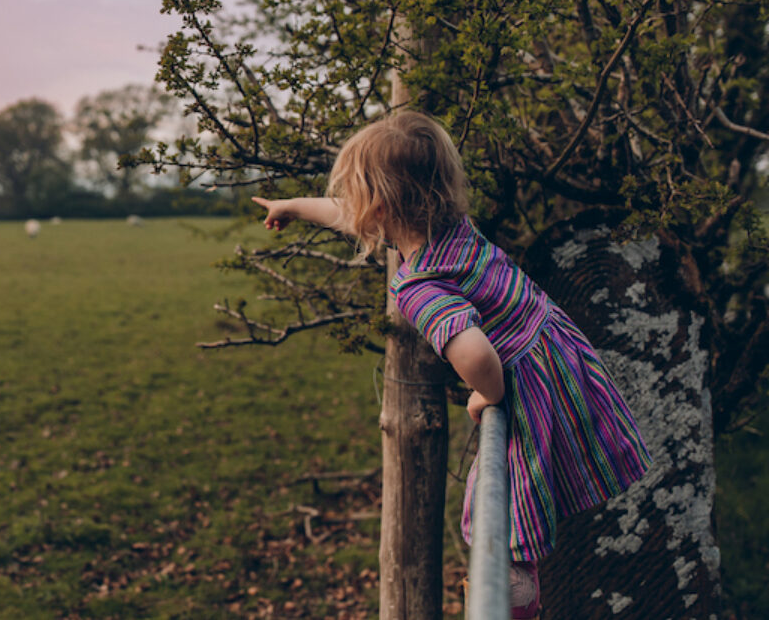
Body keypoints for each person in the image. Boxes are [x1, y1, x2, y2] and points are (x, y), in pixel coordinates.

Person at [251, 110, 651, 619]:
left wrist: (489, 395)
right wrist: (294, 206)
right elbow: (346, 212)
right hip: (556, 350)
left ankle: (516, 606)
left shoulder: (420, 286)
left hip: (524, 381)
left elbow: (477, 354)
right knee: (513, 509)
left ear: (377, 208)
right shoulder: (456, 232)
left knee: (507, 528)